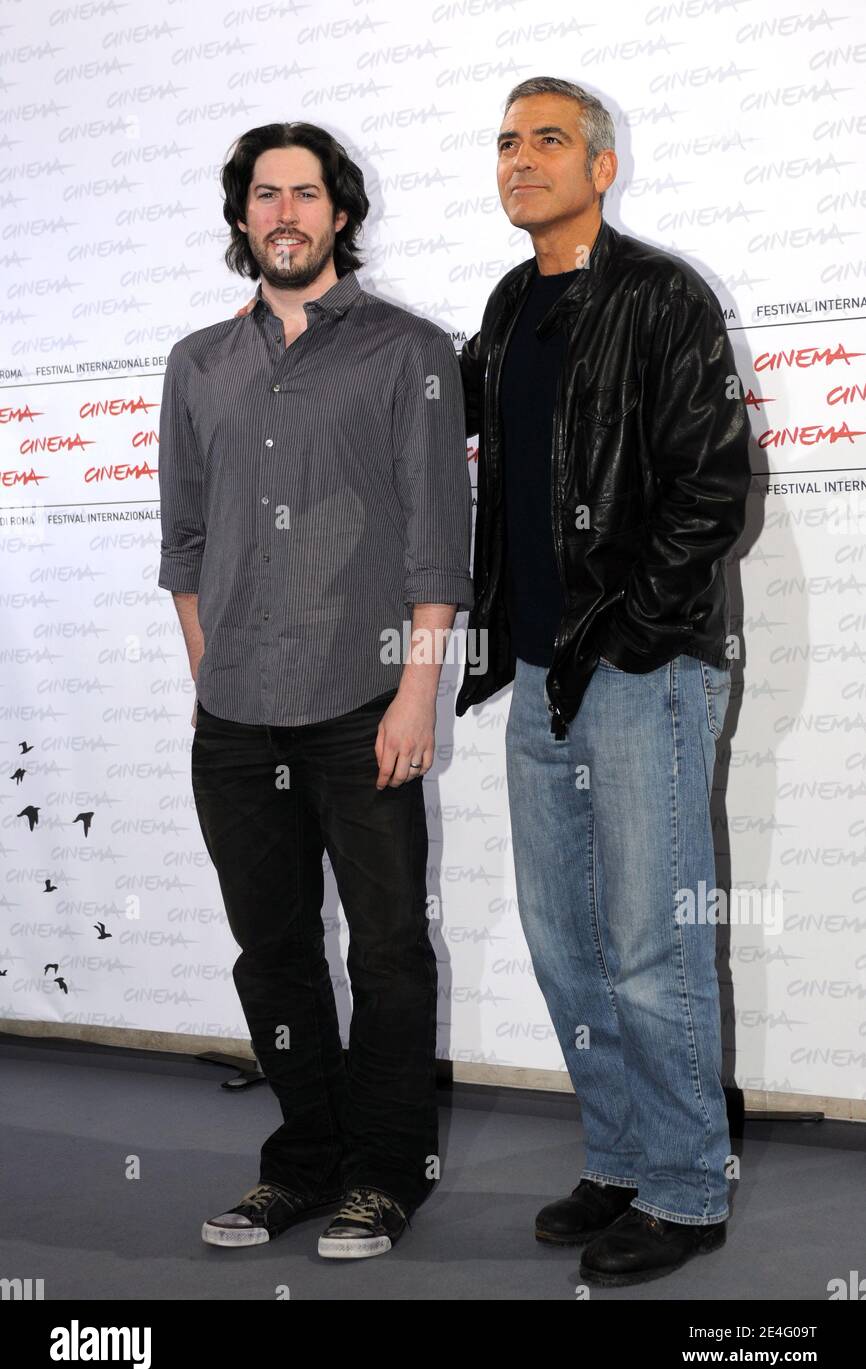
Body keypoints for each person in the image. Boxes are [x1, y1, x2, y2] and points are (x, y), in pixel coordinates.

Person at [157, 121, 473, 1259]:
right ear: (243, 217)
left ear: (340, 211)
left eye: (304, 193)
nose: (283, 212)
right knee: (272, 953)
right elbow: (184, 543)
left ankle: (385, 1175)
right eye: (262, 195)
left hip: (362, 701)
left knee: (386, 950)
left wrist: (416, 695)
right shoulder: (199, 361)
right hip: (235, 715)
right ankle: (304, 1161)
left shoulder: (409, 350)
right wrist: (210, 674)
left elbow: (440, 540)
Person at [455, 77, 752, 1287]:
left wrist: (631, 631)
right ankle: (624, 1156)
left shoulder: (663, 298)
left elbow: (712, 489)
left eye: (550, 140)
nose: (522, 160)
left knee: (650, 945)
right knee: (566, 944)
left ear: (604, 165)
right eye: (508, 142)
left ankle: (687, 1186)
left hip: (643, 672)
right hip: (537, 671)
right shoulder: (508, 305)